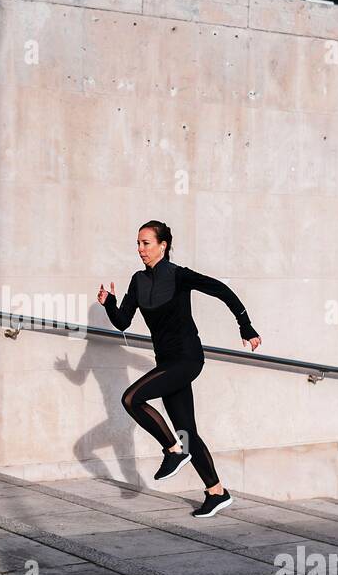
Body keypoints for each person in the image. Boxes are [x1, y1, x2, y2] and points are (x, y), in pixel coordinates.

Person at [97, 220, 261, 518]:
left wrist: (246, 326)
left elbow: (223, 291)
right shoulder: (138, 281)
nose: (140, 249)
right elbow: (123, 321)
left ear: (163, 245)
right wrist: (109, 303)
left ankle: (173, 450)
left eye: (146, 243)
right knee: (188, 430)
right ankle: (216, 492)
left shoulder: (179, 276)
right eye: (138, 243)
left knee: (131, 399)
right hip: (166, 362)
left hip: (187, 358)